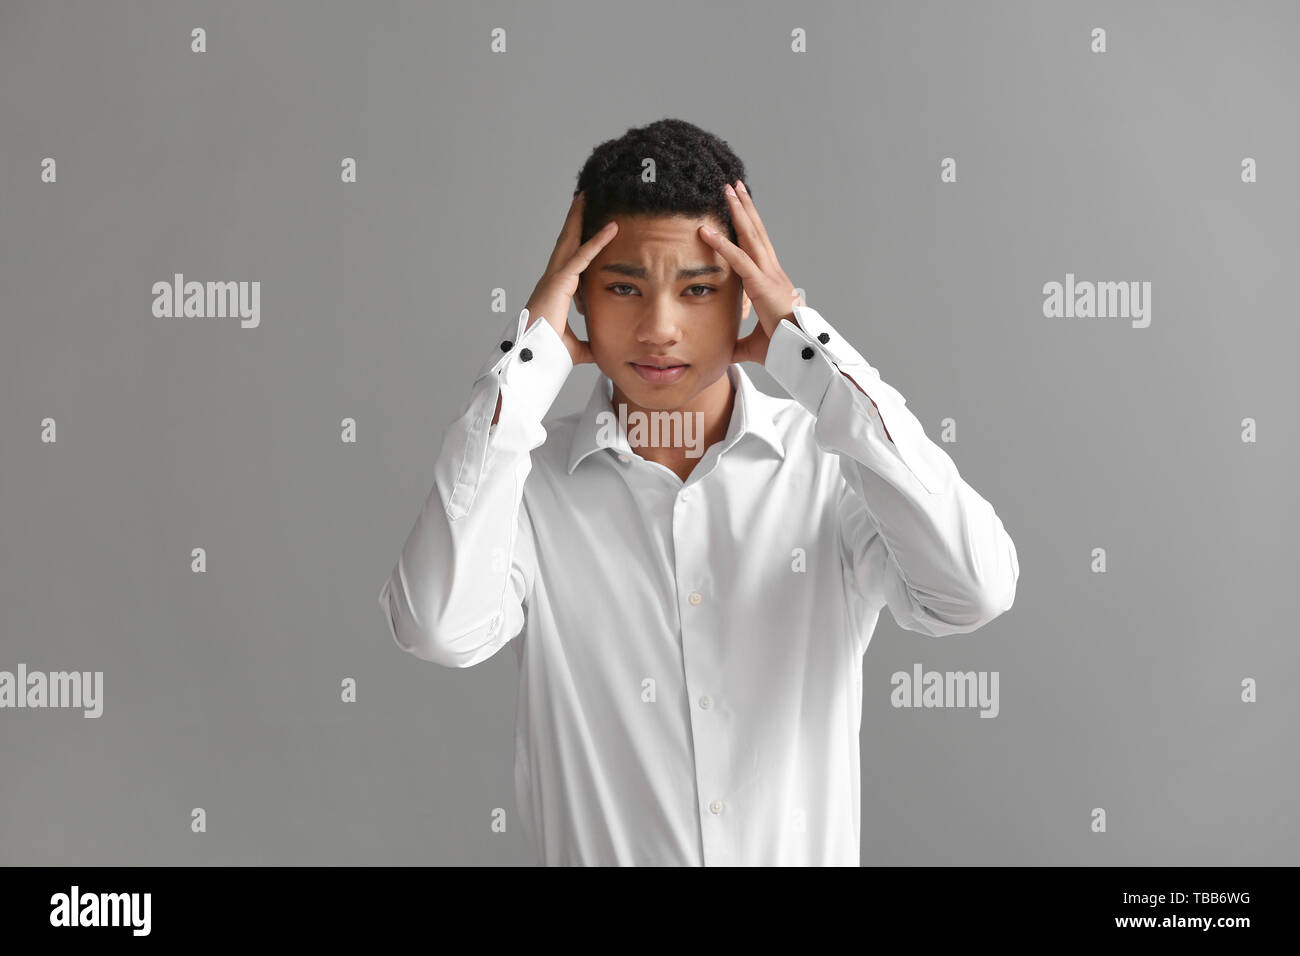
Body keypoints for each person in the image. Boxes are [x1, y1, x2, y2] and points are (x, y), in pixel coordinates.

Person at [378, 118, 1019, 866]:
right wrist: (525, 363)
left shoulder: (832, 465)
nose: (659, 328)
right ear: (576, 297)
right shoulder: (526, 483)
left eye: (699, 288)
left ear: (748, 298)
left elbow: (971, 590)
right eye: (622, 287)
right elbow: (436, 627)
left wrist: (811, 353)